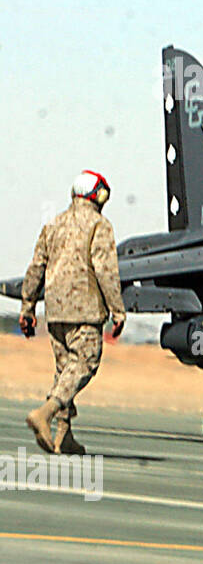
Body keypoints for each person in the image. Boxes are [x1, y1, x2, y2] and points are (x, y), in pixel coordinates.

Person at [18, 171, 126, 455]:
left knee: (65, 370)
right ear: (98, 195)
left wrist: (27, 306)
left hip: (55, 312)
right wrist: (118, 309)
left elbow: (35, 268)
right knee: (85, 363)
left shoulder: (53, 224)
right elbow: (105, 270)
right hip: (85, 310)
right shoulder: (99, 225)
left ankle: (64, 436)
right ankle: (46, 412)